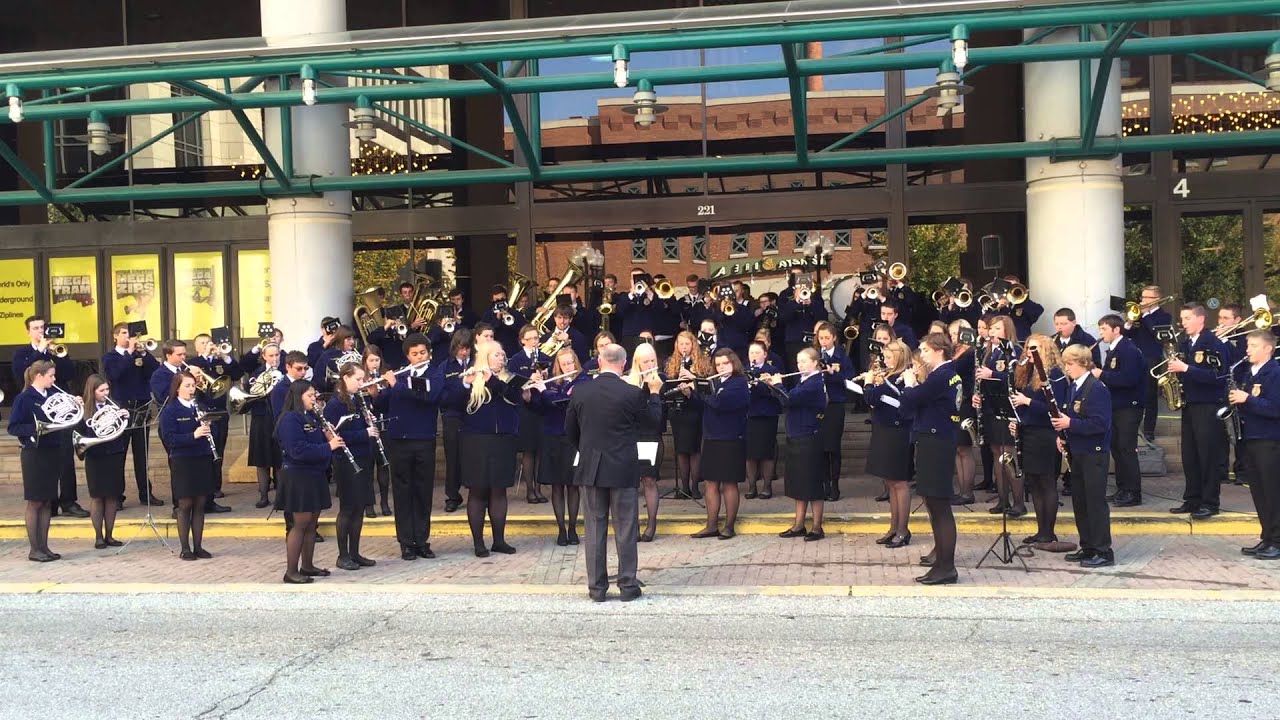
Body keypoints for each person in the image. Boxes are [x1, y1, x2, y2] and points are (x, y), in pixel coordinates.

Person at [566, 343, 665, 602]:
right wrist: (655, 394)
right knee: (625, 526)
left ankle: (597, 588)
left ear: (599, 361)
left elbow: (570, 431)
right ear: (623, 364)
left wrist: (587, 450)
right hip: (622, 465)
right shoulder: (631, 393)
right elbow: (654, 423)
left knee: (594, 528)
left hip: (592, 466)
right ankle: (627, 584)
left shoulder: (581, 391)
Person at [449, 340, 525, 557]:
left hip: (503, 440)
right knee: (478, 490)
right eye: (496, 355)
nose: (501, 358)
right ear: (485, 357)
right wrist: (466, 384)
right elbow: (451, 403)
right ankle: (478, 543)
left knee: (499, 490)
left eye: (502, 355)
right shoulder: (471, 377)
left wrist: (492, 380)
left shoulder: (509, 380)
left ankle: (499, 540)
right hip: (476, 440)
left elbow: (512, 397)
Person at [897, 333, 961, 585]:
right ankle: (941, 561)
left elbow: (912, 400)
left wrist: (911, 382)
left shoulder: (942, 375)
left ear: (939, 351)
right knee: (934, 504)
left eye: (925, 350)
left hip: (936, 441)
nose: (921, 355)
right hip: (936, 439)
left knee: (939, 506)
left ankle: (946, 567)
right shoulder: (946, 374)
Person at [12, 316, 86, 518]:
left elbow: (69, 373)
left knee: (65, 456)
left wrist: (59, 355)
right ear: (28, 332)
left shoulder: (57, 350)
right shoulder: (23, 353)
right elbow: (21, 374)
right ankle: (50, 503)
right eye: (36, 328)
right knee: (47, 460)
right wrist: (39, 352)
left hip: (61, 410)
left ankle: (69, 502)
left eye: (43, 327)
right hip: (38, 411)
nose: (40, 331)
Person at [380, 333, 445, 560]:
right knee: (402, 492)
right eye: (414, 354)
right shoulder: (400, 374)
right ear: (408, 356)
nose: (419, 357)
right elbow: (384, 403)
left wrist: (396, 385)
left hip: (424, 439)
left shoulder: (435, 374)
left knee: (423, 491)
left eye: (423, 353)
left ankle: (422, 540)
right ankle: (406, 542)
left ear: (429, 353)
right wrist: (375, 393)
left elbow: (429, 397)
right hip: (399, 440)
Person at [1052, 345, 1115, 568]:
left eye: (1070, 364)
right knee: (1080, 501)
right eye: (1066, 364)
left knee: (1095, 502)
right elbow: (1071, 414)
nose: (1067, 368)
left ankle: (1103, 550)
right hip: (1078, 450)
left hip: (1093, 452)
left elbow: (1100, 424)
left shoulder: (1096, 388)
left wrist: (1071, 424)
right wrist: (1064, 435)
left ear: (1084, 363)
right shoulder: (1074, 387)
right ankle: (1087, 546)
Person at [1166, 303, 1231, 519]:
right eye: (1182, 319)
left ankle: (1210, 502)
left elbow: (1218, 377)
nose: (1182, 323)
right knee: (1190, 455)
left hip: (1208, 405)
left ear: (1200, 319)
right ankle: (1192, 499)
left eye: (1186, 318)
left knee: (1207, 455)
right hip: (1190, 404)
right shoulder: (1184, 344)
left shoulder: (1213, 343)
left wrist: (1186, 369)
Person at [8, 361, 77, 561]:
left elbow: (65, 419)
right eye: (51, 376)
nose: (54, 380)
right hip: (34, 453)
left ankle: (44, 547)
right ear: (39, 375)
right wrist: (36, 429)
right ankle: (34, 549)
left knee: (47, 501)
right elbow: (13, 427)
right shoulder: (25, 398)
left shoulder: (54, 396)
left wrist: (75, 405)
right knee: (35, 501)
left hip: (53, 451)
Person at [275, 380, 341, 583]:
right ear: (298, 396)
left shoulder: (312, 417)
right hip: (298, 475)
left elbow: (316, 444)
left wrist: (327, 436)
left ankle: (308, 565)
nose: (314, 399)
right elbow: (298, 450)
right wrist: (328, 446)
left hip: (314, 474)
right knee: (300, 523)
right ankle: (291, 571)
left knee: (312, 523)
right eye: (310, 396)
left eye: (315, 395)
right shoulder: (290, 419)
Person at [1009, 336, 1068, 545]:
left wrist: (1028, 402)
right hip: (1029, 432)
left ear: (1045, 351)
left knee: (1047, 483)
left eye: (1034, 348)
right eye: (1027, 347)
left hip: (1046, 434)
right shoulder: (1027, 372)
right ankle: (1040, 530)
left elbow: (1056, 409)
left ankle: (1049, 532)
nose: (1028, 352)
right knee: (1033, 483)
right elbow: (1021, 405)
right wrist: (1018, 420)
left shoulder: (1055, 374)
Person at [528, 346, 590, 546]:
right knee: (556, 485)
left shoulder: (583, 381)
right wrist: (533, 391)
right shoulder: (554, 382)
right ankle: (561, 529)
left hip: (572, 439)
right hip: (552, 437)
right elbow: (541, 408)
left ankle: (572, 528)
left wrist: (545, 392)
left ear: (576, 363)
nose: (567, 366)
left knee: (573, 485)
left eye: (570, 363)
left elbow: (563, 403)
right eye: (563, 364)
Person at [688, 348, 750, 540]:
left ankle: (729, 526)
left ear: (734, 364)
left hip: (730, 438)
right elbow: (706, 405)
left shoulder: (739, 383)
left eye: (725, 363)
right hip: (712, 437)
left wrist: (698, 387)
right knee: (710, 484)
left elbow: (720, 403)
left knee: (729, 484)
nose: (721, 367)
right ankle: (711, 525)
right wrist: (691, 394)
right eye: (718, 364)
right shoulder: (714, 382)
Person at [1229, 330, 1280, 559]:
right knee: (1259, 492)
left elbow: (1275, 408)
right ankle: (1267, 537)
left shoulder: (1275, 373)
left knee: (1272, 492)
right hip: (1251, 438)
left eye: (1253, 345)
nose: (1247, 349)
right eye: (1248, 344)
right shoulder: (1250, 373)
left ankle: (1277, 541)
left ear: (1268, 349)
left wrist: (1247, 399)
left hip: (1270, 441)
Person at [101, 322, 163, 508]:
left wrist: (144, 353)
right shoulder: (110, 357)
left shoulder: (139, 354)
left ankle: (146, 494)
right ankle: (117, 496)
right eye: (124, 333)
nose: (128, 337)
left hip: (142, 407)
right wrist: (128, 353)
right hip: (122, 407)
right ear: (115, 336)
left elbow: (154, 371)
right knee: (119, 454)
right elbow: (115, 375)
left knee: (142, 454)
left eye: (129, 334)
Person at [770, 348, 828, 540]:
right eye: (798, 361)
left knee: (812, 484)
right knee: (798, 484)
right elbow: (785, 400)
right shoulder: (804, 381)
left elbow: (789, 400)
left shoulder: (814, 383)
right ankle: (799, 525)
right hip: (796, 435)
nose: (799, 365)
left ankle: (817, 527)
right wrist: (772, 385)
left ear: (814, 363)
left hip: (808, 437)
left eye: (804, 361)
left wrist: (778, 385)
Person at [158, 372, 217, 562]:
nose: (192, 389)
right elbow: (170, 438)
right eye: (188, 386)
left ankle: (198, 546)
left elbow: (209, 431)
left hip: (202, 457)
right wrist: (194, 435)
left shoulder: (199, 406)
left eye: (193, 386)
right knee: (185, 504)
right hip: (183, 460)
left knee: (200, 503)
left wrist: (208, 426)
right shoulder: (170, 411)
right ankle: (185, 548)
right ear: (177, 388)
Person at [862, 339, 916, 548]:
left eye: (888, 357)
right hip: (885, 430)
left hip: (898, 432)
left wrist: (869, 382)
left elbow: (871, 398)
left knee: (900, 483)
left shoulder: (902, 378)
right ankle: (894, 527)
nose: (885, 360)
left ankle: (903, 530)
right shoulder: (890, 376)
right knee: (890, 482)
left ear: (899, 358)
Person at [327, 363, 379, 571]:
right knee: (348, 508)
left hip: (363, 457)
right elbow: (335, 435)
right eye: (358, 379)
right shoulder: (335, 404)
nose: (361, 383)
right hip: (346, 462)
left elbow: (360, 425)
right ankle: (343, 555)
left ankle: (355, 552)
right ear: (345, 378)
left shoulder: (358, 399)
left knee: (359, 508)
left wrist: (370, 423)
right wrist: (364, 433)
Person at [1093, 314, 1146, 507]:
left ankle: (1133, 492)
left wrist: (1102, 374)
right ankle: (1123, 489)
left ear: (1116, 330)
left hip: (1128, 407)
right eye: (1100, 329)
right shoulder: (1114, 350)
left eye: (1104, 329)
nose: (1101, 333)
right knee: (1117, 448)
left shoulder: (1128, 349)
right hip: (1116, 406)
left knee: (1126, 448)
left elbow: (1128, 379)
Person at [975, 314, 1022, 515]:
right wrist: (976, 395)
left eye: (997, 329)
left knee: (1009, 454)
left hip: (1008, 406)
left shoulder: (1014, 350)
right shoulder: (987, 351)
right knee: (996, 452)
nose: (992, 333)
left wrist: (992, 375)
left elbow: (1016, 377)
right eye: (991, 329)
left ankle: (1019, 502)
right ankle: (1003, 500)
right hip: (990, 406)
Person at [189, 333, 237, 513]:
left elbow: (237, 373)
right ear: (197, 347)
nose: (208, 345)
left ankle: (216, 488)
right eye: (203, 343)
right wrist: (204, 362)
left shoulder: (221, 361)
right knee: (208, 451)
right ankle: (205, 491)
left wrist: (225, 357)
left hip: (220, 410)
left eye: (209, 342)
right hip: (203, 410)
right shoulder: (194, 362)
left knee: (219, 450)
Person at [78, 375, 128, 548]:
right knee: (98, 497)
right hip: (95, 456)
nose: (106, 393)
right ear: (92, 391)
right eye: (101, 391)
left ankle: (110, 535)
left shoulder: (113, 406)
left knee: (112, 496)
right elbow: (80, 433)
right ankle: (98, 536)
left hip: (113, 454)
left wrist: (124, 417)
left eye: (107, 389)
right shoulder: (84, 410)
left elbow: (119, 432)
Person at [626, 342, 666, 541]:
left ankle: (651, 524)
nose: (650, 364)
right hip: (632, 436)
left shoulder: (660, 381)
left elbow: (656, 418)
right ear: (637, 363)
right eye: (645, 361)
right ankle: (631, 525)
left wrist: (654, 391)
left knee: (649, 481)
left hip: (651, 436)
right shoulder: (628, 381)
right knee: (631, 482)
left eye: (653, 360)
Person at [665, 330, 710, 499]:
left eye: (687, 344)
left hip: (694, 409)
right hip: (678, 411)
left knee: (694, 450)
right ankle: (684, 487)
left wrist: (693, 377)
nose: (684, 347)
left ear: (693, 345)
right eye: (681, 344)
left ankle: (695, 487)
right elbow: (666, 384)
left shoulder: (703, 363)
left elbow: (707, 387)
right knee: (681, 450)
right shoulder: (671, 362)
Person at [1125, 285, 1173, 442]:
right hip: (1135, 357)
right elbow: (1127, 334)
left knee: (1150, 395)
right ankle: (1134, 426)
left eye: (1146, 298)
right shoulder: (1139, 315)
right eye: (1142, 297)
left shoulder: (1164, 316)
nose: (1142, 300)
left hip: (1152, 358)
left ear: (1156, 299)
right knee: (1134, 392)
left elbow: (1157, 334)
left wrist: (1146, 315)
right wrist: (1129, 322)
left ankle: (1149, 430)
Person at [510, 324, 550, 505]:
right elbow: (512, 382)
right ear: (523, 340)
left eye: (536, 338)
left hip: (541, 406)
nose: (535, 341)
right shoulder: (516, 360)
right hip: (525, 407)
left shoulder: (545, 357)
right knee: (528, 450)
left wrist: (545, 376)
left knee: (541, 449)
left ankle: (539, 488)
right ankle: (530, 490)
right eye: (531, 338)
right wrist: (528, 380)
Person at [814, 322, 854, 501]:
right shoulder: (814, 355)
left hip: (835, 404)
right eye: (821, 338)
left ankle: (835, 485)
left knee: (833, 446)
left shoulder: (841, 356)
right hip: (818, 404)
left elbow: (850, 379)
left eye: (827, 338)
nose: (824, 342)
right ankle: (823, 485)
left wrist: (833, 373)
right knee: (820, 447)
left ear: (834, 338)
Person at [243, 343, 284, 508]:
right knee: (262, 459)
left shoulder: (285, 373)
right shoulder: (257, 373)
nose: (274, 359)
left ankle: (281, 497)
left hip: (280, 418)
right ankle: (263, 496)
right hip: (261, 419)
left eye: (277, 355)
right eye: (271, 356)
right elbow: (250, 392)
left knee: (280, 459)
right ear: (264, 357)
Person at [439, 329, 474, 513]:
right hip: (452, 415)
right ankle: (452, 495)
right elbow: (442, 396)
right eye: (461, 348)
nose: (464, 352)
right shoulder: (445, 367)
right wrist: (463, 386)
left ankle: (475, 493)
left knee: (473, 455)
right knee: (452, 457)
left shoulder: (477, 363)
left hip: (473, 414)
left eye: (467, 349)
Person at [744, 341, 781, 499]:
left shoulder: (772, 370)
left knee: (766, 453)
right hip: (749, 415)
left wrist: (762, 384)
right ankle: (751, 486)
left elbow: (776, 393)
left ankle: (767, 486)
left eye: (757, 353)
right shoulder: (744, 370)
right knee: (750, 454)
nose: (754, 356)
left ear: (765, 355)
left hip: (766, 415)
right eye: (751, 353)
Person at [360, 346, 393, 518]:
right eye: (371, 360)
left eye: (377, 360)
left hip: (383, 426)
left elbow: (390, 402)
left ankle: (385, 502)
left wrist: (379, 393)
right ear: (365, 361)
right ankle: (369, 504)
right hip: (366, 427)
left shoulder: (386, 377)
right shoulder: (359, 378)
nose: (374, 364)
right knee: (367, 467)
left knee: (383, 465)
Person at [948, 319, 978, 505]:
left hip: (966, 402)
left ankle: (968, 491)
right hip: (955, 402)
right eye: (950, 334)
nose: (952, 337)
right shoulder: (954, 351)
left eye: (955, 334)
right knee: (957, 448)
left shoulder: (969, 353)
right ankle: (961, 489)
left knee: (964, 448)